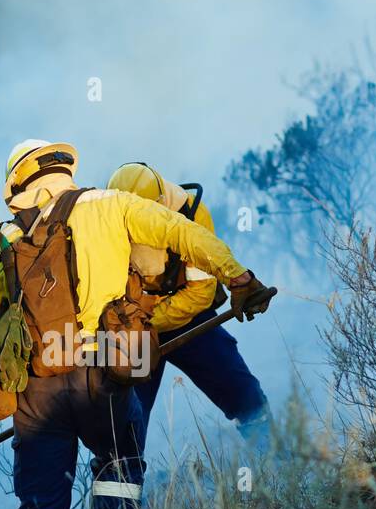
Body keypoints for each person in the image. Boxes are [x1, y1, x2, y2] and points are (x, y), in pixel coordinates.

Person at [0, 141, 268, 509]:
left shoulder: (4, 239)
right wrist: (240, 278)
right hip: (103, 371)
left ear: (18, 183)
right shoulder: (114, 206)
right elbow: (187, 237)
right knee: (119, 466)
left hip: (39, 392)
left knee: (40, 508)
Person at [107, 162, 270, 443]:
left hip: (185, 316)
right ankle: (122, 476)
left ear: (160, 205)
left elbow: (201, 292)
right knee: (125, 420)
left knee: (242, 391)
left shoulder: (191, 216)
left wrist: (150, 320)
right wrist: (132, 325)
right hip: (132, 328)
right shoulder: (105, 225)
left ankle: (276, 465)